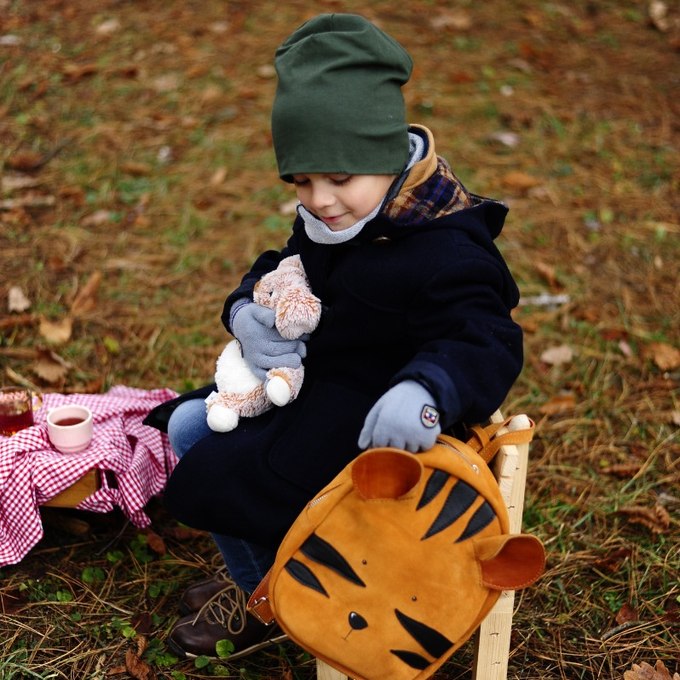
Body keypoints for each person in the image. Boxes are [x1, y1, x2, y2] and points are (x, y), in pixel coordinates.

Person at [144, 13, 523, 660]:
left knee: (224, 472)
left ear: (381, 154)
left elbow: (482, 338)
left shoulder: (447, 249)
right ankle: (266, 572)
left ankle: (274, 600)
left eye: (338, 178)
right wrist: (246, 314)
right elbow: (282, 267)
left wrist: (427, 388)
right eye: (302, 181)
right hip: (320, 388)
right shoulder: (345, 214)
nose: (319, 200)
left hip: (384, 427)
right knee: (186, 429)